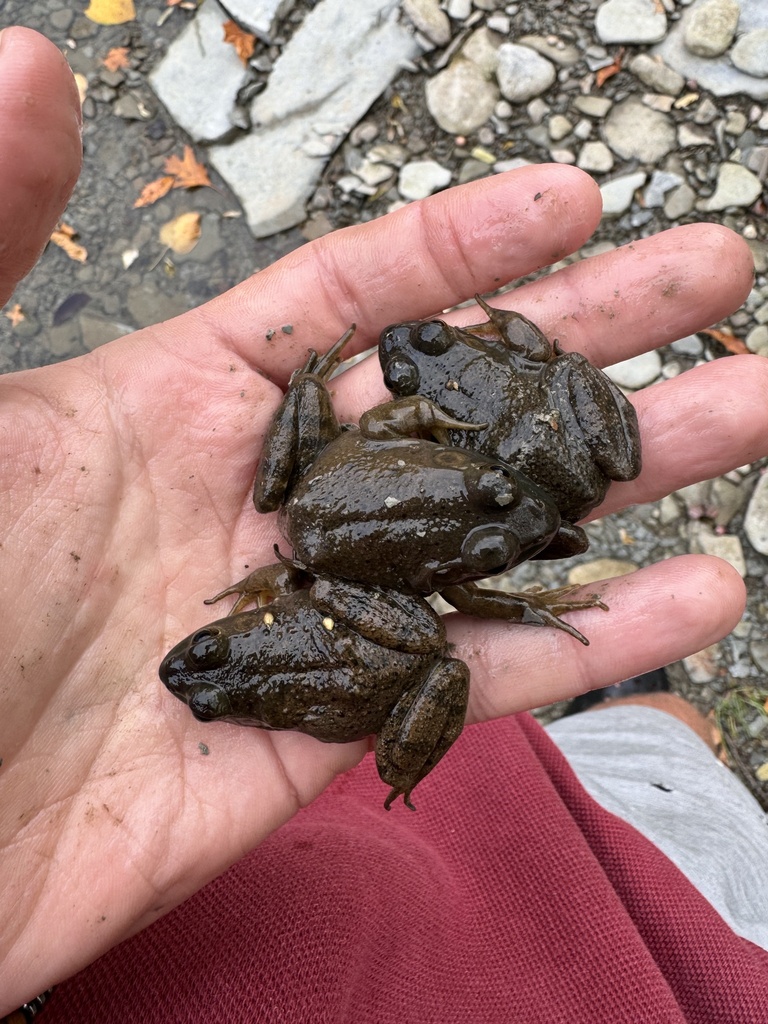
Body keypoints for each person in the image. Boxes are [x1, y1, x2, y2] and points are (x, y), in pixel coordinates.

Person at [1, 26, 766, 1024]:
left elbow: (384, 474)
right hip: (347, 561)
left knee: (591, 746)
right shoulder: (395, 547)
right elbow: (386, 497)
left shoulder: (389, 532)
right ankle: (651, 742)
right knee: (655, 787)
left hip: (336, 541)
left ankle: (641, 741)